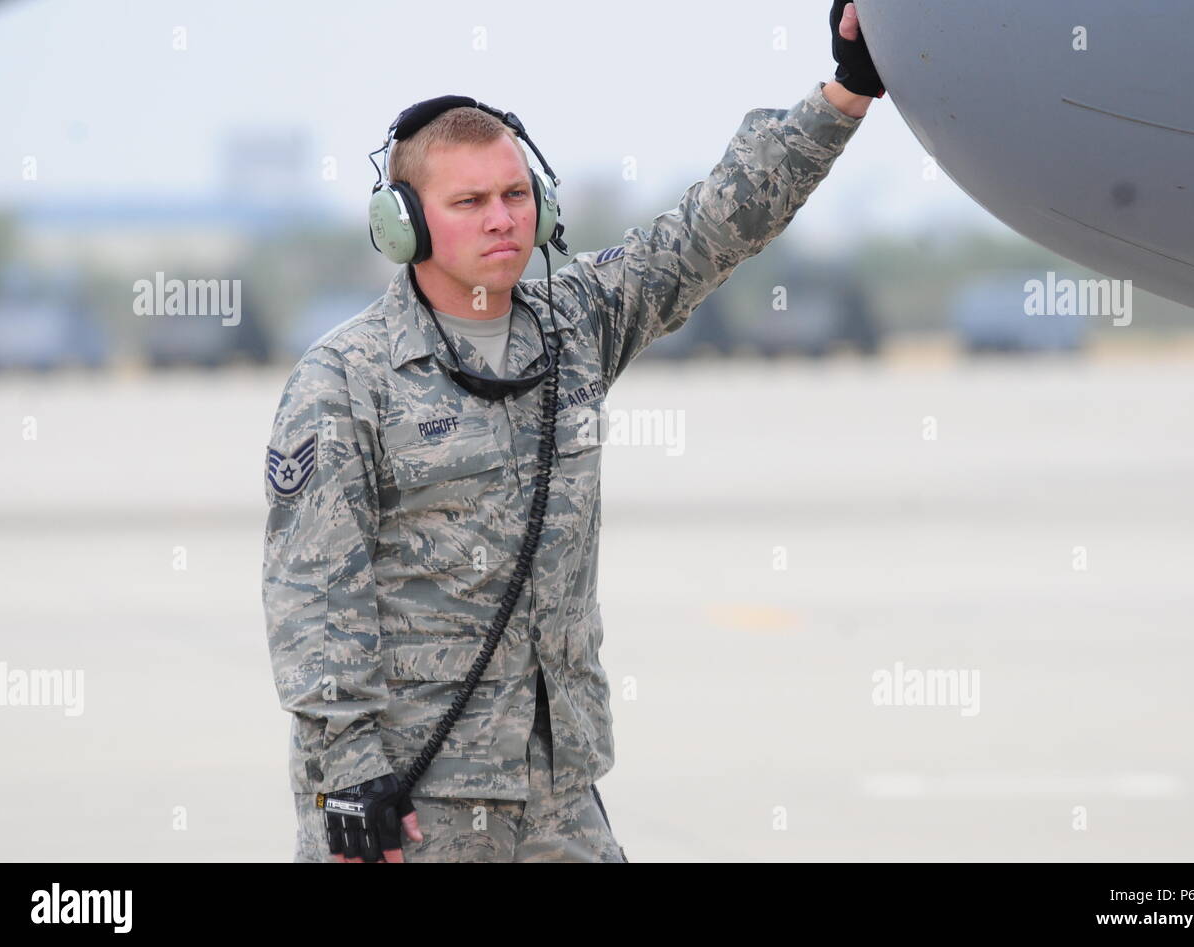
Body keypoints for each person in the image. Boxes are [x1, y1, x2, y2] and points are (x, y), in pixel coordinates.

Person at [261, 1, 884, 863]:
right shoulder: (346, 381)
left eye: (516, 194)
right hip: (412, 797)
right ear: (402, 222)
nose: (501, 218)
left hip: (559, 785)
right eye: (470, 200)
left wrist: (845, 94)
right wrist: (352, 775)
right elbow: (312, 594)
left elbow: (708, 228)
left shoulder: (575, 321)